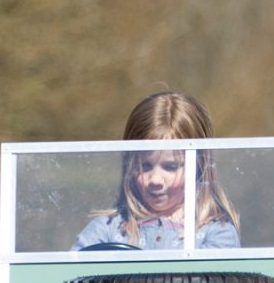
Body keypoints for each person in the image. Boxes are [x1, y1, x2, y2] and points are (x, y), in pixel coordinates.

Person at [72, 91, 240, 250]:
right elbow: (73, 268)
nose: (155, 180)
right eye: (144, 166)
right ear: (129, 164)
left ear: (199, 166)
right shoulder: (108, 229)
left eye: (170, 167)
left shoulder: (216, 234)